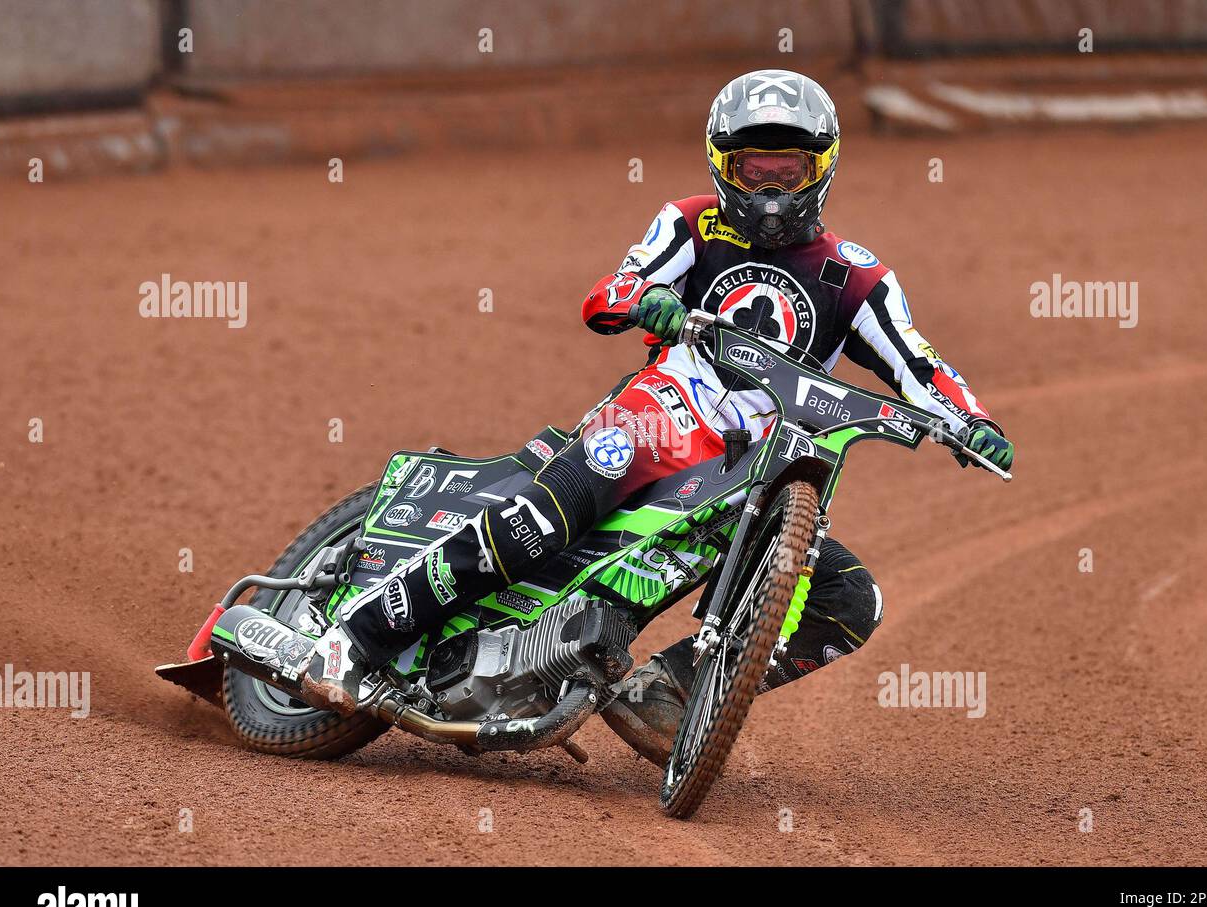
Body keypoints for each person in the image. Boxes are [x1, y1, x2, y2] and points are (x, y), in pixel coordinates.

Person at [297, 69, 1014, 766]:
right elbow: (608, 291)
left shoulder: (853, 275)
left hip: (753, 468)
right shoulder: (691, 222)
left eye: (786, 170)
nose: (768, 189)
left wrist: (970, 421)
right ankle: (355, 638)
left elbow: (920, 366)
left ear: (820, 169)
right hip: (660, 413)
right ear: (721, 165)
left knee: (850, 597)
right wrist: (645, 301)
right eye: (751, 167)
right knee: (551, 512)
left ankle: (670, 688)